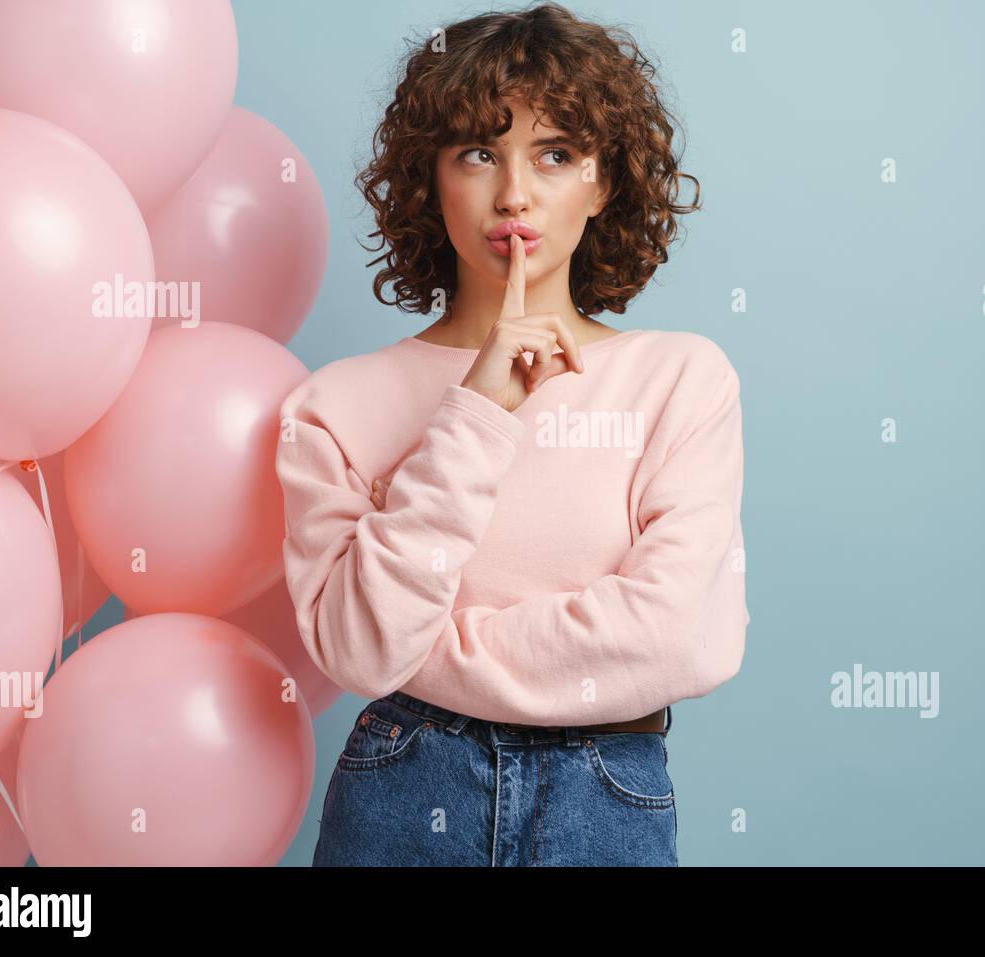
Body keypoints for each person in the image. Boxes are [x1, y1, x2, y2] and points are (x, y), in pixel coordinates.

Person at [275, 2, 748, 867]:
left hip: (606, 796)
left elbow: (675, 634)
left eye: (556, 153)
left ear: (603, 180)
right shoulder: (333, 405)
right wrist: (477, 413)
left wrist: (437, 655)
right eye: (479, 152)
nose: (514, 193)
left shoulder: (681, 379)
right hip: (401, 793)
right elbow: (361, 649)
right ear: (432, 178)